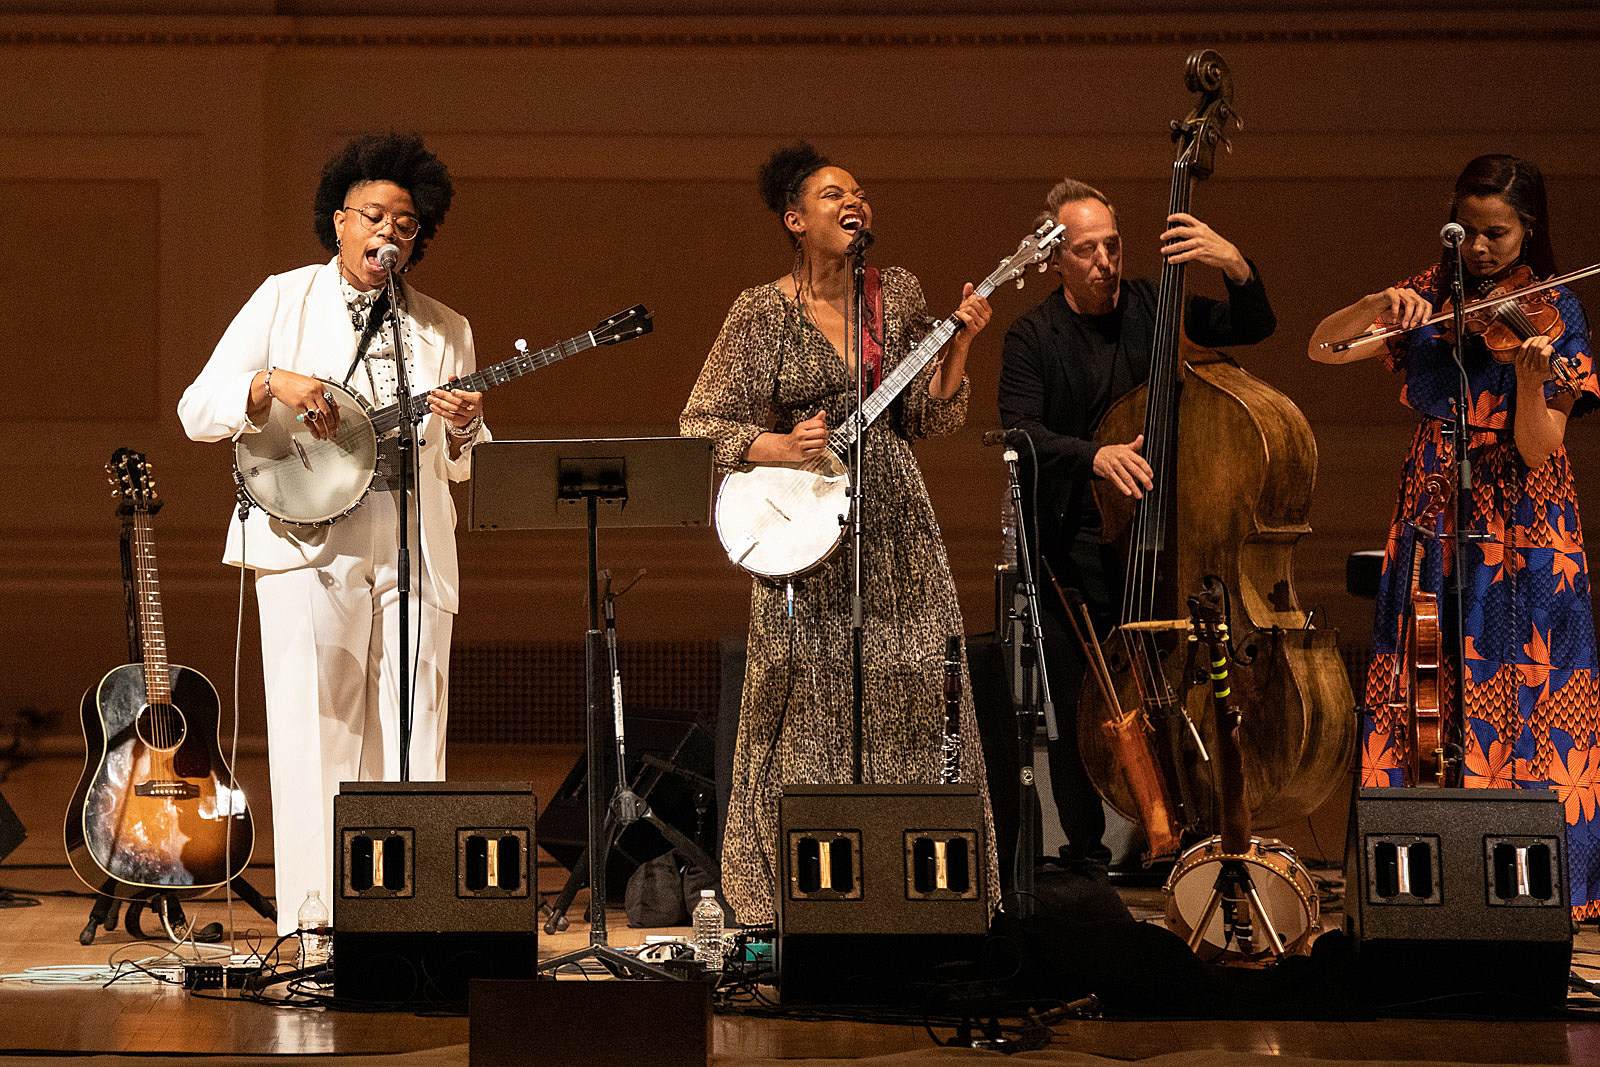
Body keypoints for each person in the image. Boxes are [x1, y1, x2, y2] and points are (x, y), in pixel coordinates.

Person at [178, 133, 488, 934]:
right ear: (340, 222)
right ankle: (314, 927)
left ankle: (413, 921)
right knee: (318, 729)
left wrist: (465, 426)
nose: (389, 233)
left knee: (415, 726)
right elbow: (197, 408)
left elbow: (457, 468)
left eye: (407, 223)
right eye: (373, 216)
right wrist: (269, 382)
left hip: (411, 539)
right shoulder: (285, 299)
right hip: (306, 544)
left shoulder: (445, 326)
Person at [681, 142, 997, 924]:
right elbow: (702, 425)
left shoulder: (901, 295)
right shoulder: (760, 312)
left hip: (894, 519)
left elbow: (926, 413)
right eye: (832, 194)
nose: (854, 201)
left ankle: (921, 887)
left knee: (917, 683)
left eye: (859, 192)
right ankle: (794, 895)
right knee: (808, 700)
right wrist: (781, 445)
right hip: (802, 530)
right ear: (795, 219)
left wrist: (959, 342)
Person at [1309, 154, 1600, 919]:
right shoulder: (1431, 296)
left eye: (1496, 234)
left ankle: (1532, 887)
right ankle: (1423, 878)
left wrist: (1533, 380)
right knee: (1428, 684)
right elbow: (1323, 347)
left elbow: (1540, 448)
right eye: (1467, 231)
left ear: (1528, 229)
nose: (1479, 248)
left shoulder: (1558, 313)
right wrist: (1381, 301)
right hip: (1435, 509)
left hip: (1525, 523)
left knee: (1523, 682)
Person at [997, 178, 1276, 870]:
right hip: (1075, 544)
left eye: (1113, 246)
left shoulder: (1156, 304)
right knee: (1085, 698)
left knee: (1184, 685)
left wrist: (1233, 262)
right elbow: (1020, 432)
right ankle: (1088, 851)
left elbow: (1253, 325)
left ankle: (1195, 829)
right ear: (1056, 259)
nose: (1104, 262)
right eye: (1086, 250)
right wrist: (1096, 456)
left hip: (1164, 540)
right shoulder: (1032, 336)